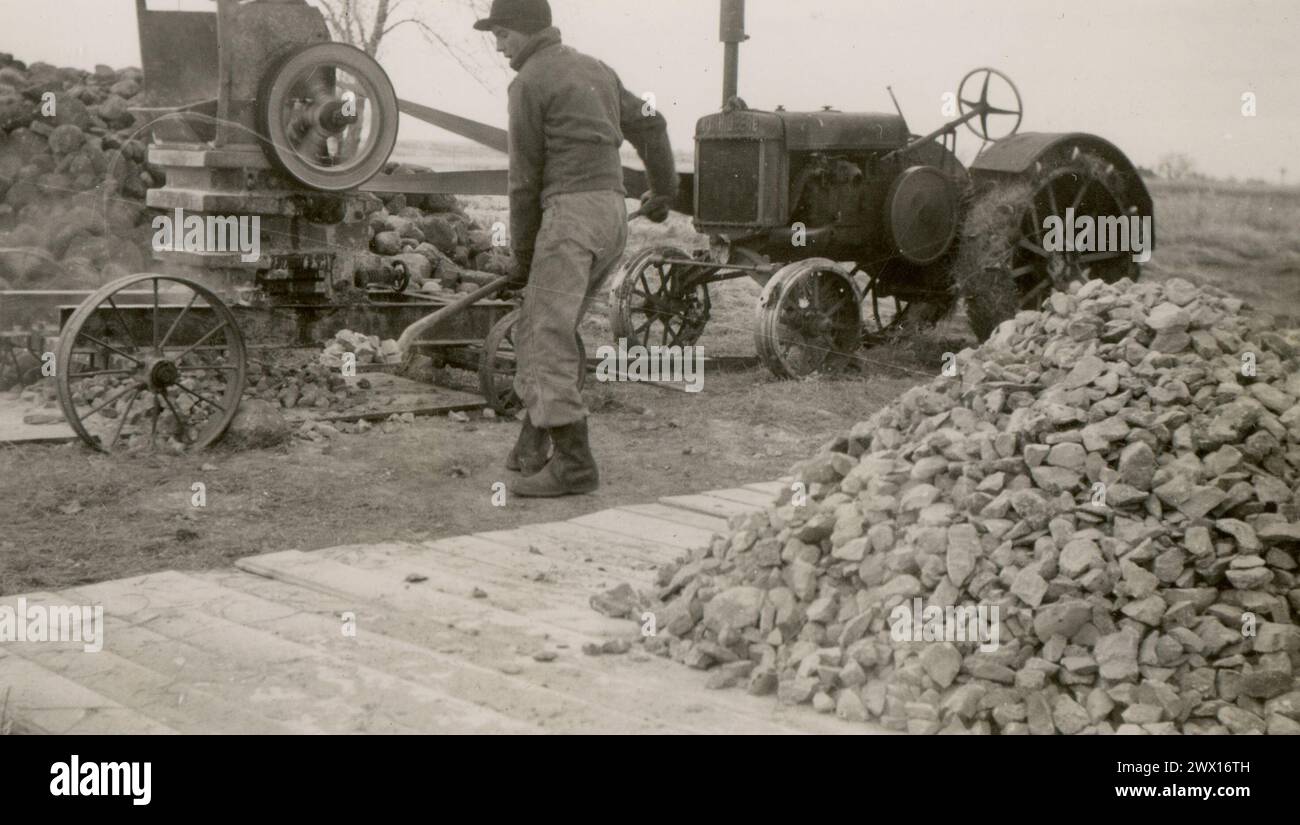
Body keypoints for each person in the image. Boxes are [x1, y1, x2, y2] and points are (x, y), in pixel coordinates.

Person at [474, 0, 678, 497]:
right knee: (552, 330)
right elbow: (652, 122)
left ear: (524, 31)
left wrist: (523, 258)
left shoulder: (528, 82)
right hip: (611, 215)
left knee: (543, 337)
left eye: (501, 34)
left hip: (569, 219)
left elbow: (523, 180)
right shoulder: (595, 68)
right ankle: (531, 447)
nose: (498, 46)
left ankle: (575, 465)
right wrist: (665, 189)